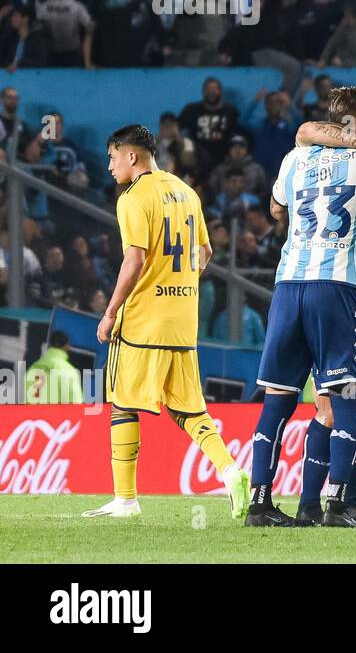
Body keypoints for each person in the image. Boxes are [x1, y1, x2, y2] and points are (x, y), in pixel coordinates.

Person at [243, 86, 356, 528]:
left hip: (289, 287)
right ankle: (340, 501)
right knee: (346, 395)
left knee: (277, 398)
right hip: (338, 287)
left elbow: (276, 207)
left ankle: (260, 503)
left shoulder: (294, 159)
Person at [83, 125, 250, 520]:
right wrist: (179, 286)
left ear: (132, 156)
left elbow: (134, 259)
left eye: (112, 157)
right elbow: (205, 253)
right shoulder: (186, 191)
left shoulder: (134, 197)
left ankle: (125, 500)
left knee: (122, 402)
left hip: (143, 320)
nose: (109, 166)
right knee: (189, 409)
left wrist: (110, 312)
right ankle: (230, 472)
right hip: (182, 320)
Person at [23, 330, 83, 403]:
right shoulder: (68, 371)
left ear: (50, 345)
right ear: (66, 346)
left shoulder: (33, 368)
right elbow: (75, 402)